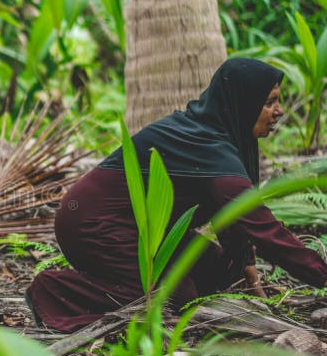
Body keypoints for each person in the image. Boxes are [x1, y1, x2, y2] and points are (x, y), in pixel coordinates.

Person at [26, 58, 327, 333]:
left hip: (142, 227)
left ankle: (119, 282)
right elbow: (261, 226)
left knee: (220, 267)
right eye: (269, 102)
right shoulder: (208, 146)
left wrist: (249, 277)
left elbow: (234, 220)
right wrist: (322, 275)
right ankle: (52, 290)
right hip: (92, 224)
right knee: (176, 299)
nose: (279, 111)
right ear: (244, 103)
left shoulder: (217, 135)